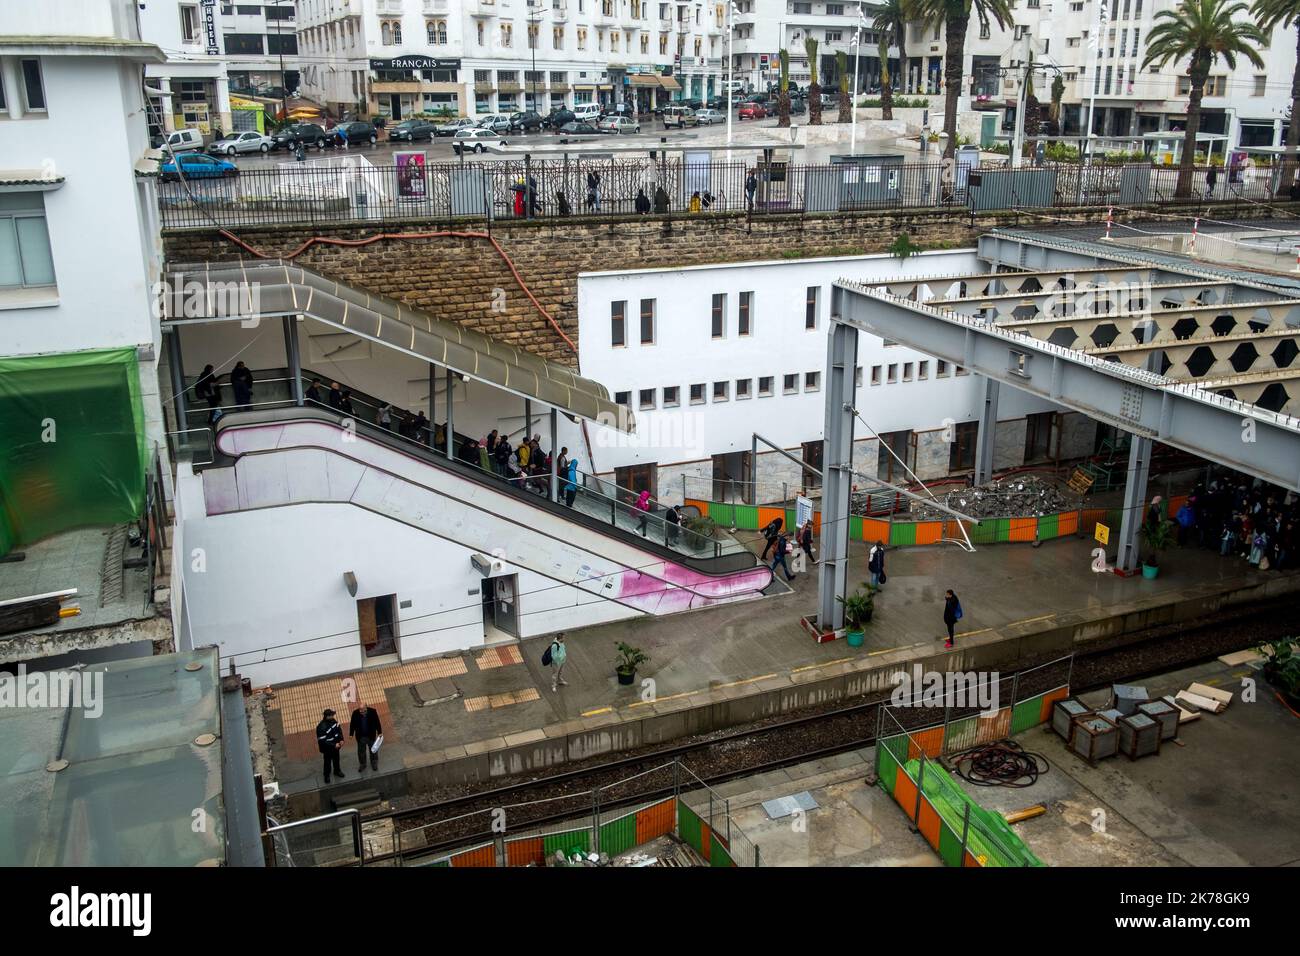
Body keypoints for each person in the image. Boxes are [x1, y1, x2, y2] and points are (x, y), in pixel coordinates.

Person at [349, 702, 383, 773]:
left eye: (363, 710)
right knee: (361, 751)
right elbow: (352, 724)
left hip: (371, 735)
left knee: (373, 750)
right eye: (360, 710)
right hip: (361, 736)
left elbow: (377, 722)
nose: (361, 712)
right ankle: (362, 764)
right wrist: (351, 734)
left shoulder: (373, 711)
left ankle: (374, 763)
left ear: (366, 708)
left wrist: (379, 732)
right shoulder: (355, 713)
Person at [316, 708, 344, 783]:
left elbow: (339, 730)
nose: (333, 716)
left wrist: (341, 739)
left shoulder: (334, 721)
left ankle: (337, 771)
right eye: (332, 715)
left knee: (336, 759)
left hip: (336, 746)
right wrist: (334, 745)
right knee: (327, 762)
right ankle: (326, 775)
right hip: (328, 749)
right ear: (327, 716)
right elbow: (322, 741)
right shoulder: (321, 727)